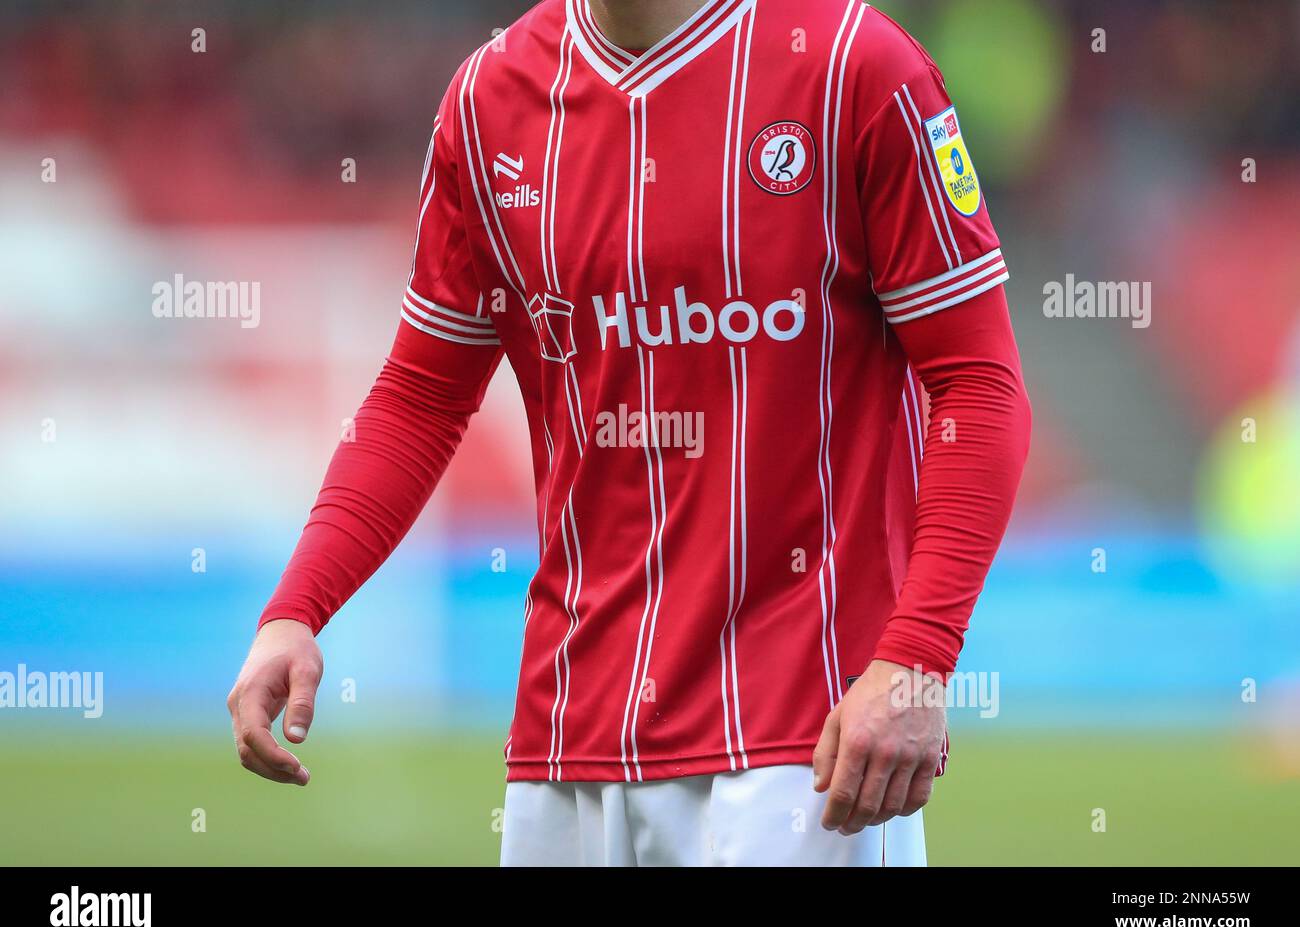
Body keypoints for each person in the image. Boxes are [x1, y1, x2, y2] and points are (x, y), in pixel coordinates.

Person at [227, 0, 1031, 866]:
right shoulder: (490, 98)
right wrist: (297, 609)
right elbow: (420, 396)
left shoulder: (853, 65)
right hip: (567, 739)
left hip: (805, 747)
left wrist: (915, 659)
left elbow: (979, 386)